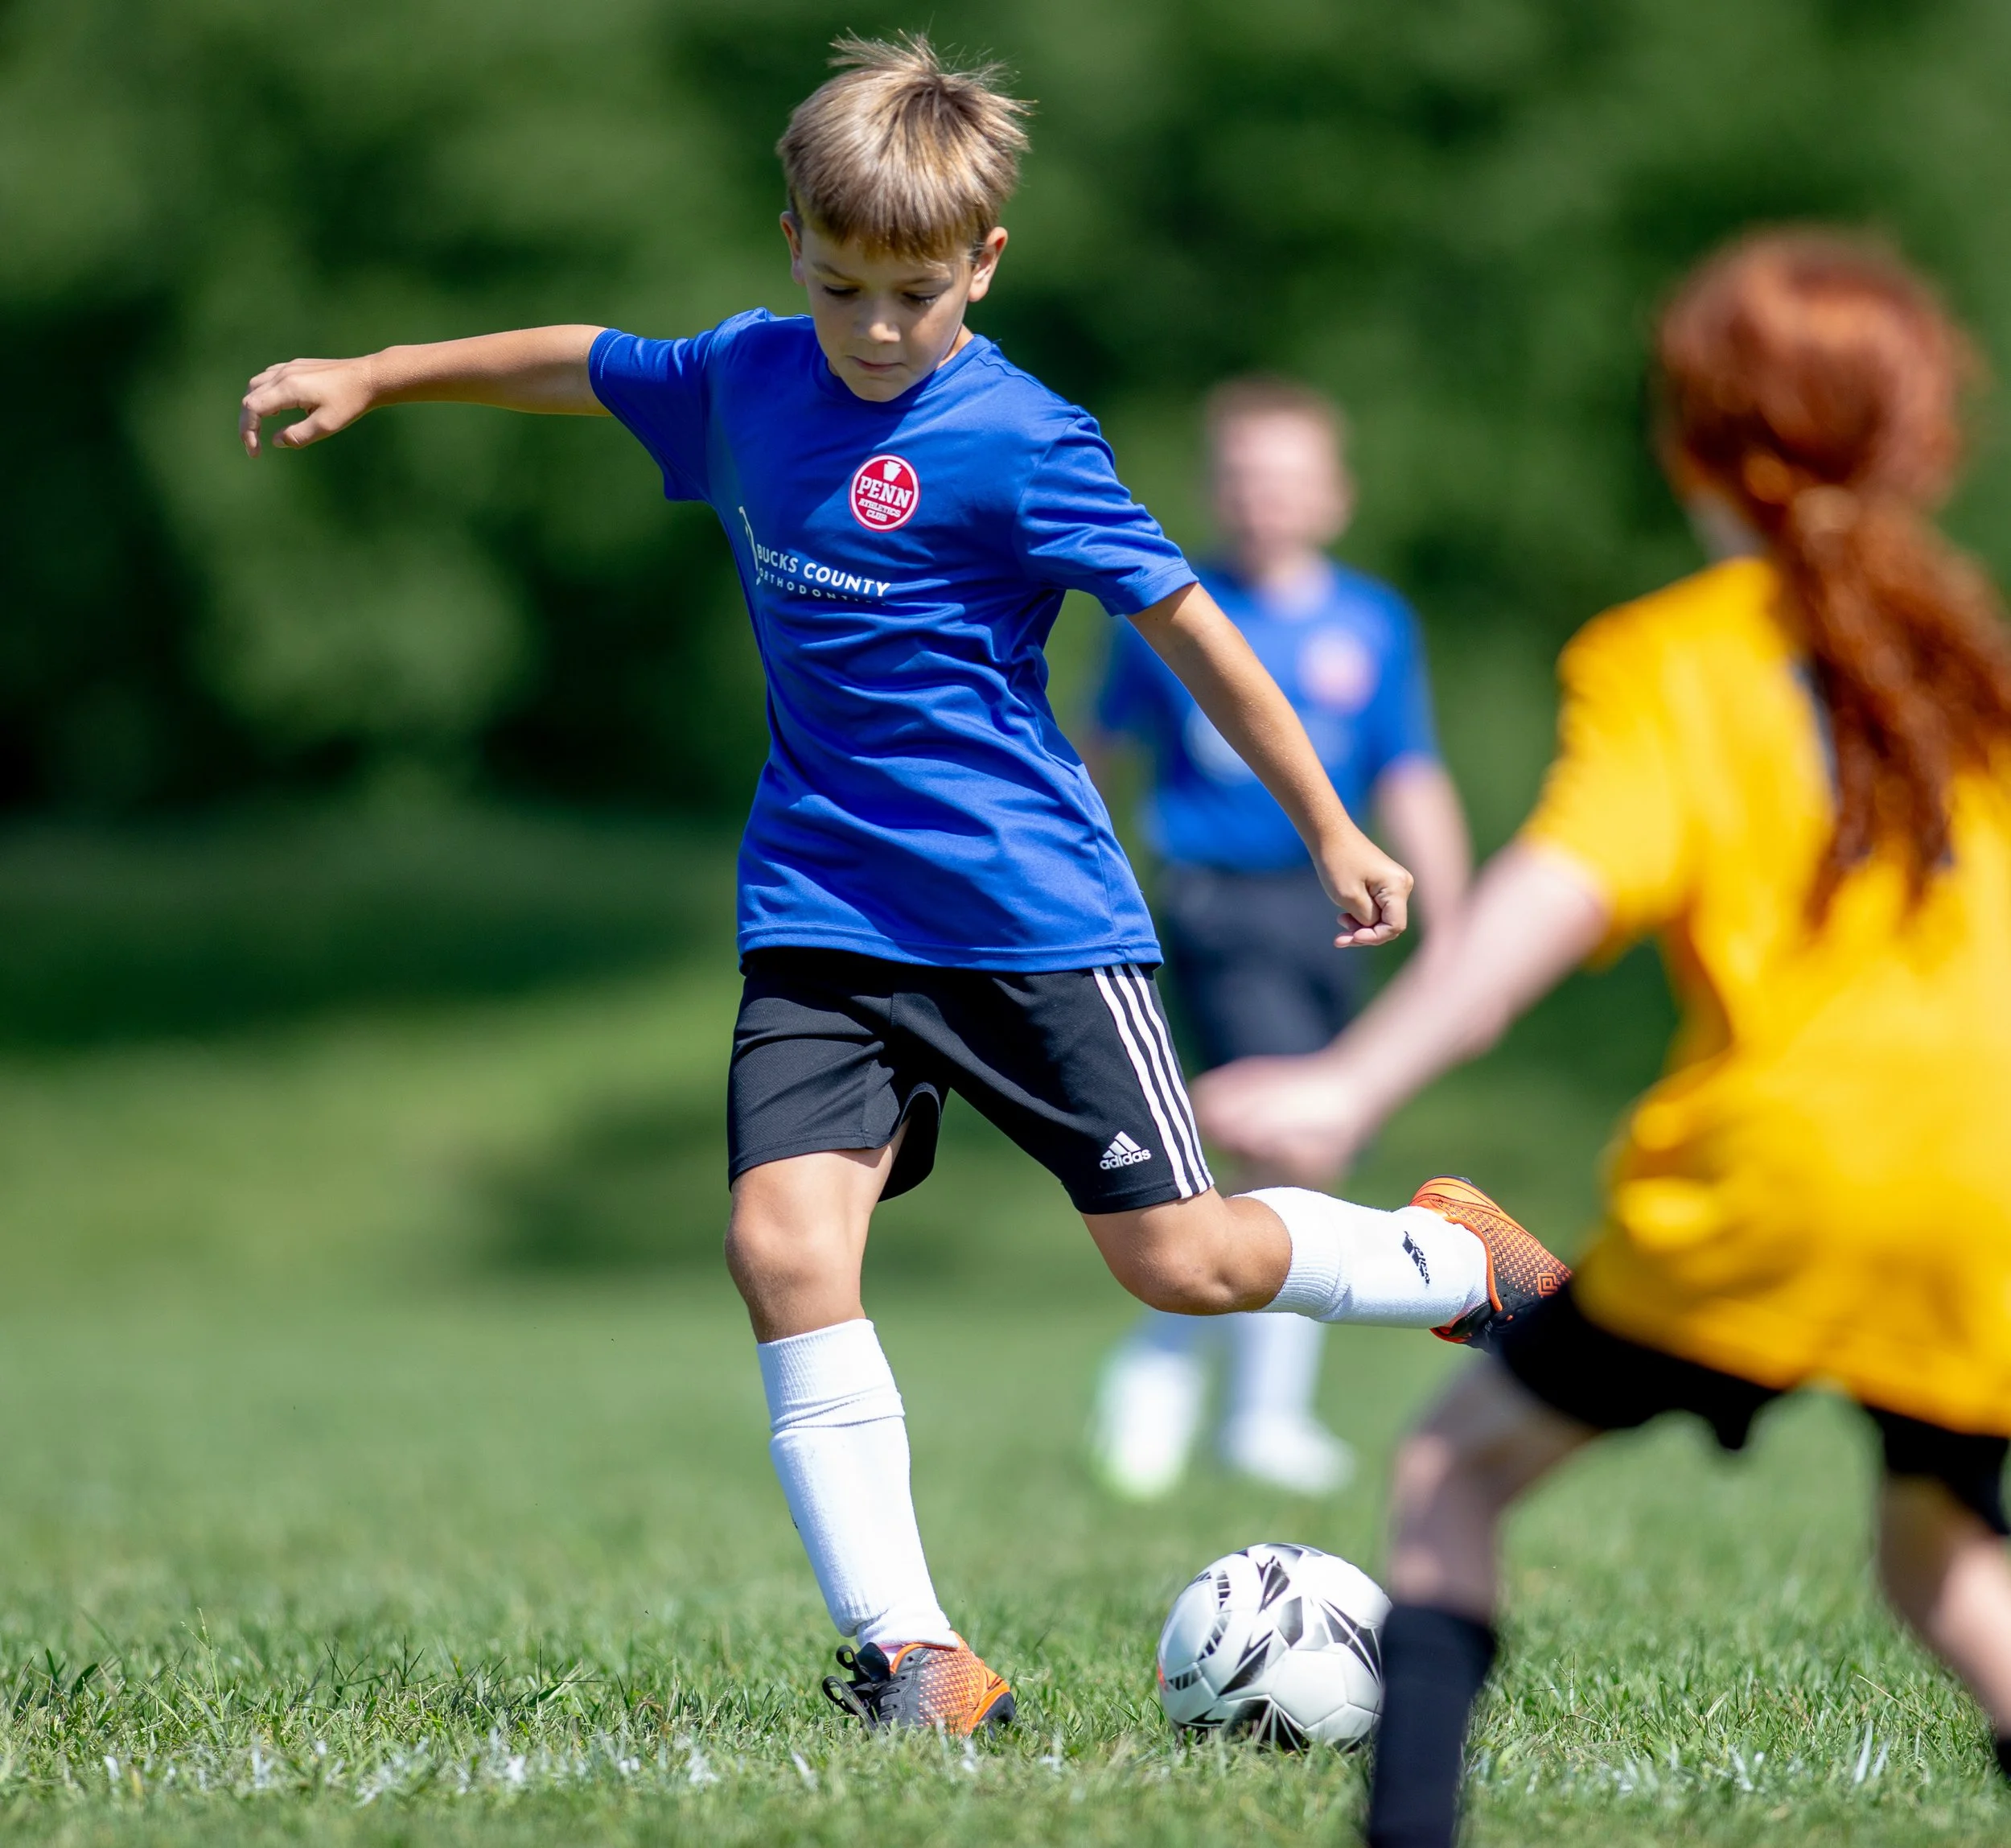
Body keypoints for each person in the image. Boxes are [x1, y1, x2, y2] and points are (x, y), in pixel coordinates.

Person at [237, 35, 1566, 1739]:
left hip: (1030, 919)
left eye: (916, 293)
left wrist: (1329, 823)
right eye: (847, 284)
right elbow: (582, 360)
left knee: (1181, 1263)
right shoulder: (744, 376)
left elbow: (1194, 633)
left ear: (983, 265)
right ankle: (914, 1656)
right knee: (779, 1243)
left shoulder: (1024, 437)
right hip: (818, 911)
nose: (876, 327)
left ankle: (1442, 1261)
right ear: (791, 241)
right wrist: (381, 367)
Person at [1195, 230, 2011, 1846]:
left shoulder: (1669, 664)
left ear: (1687, 439)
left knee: (1451, 1479)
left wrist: (1348, 1078)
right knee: (1945, 1554)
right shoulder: (1968, 662)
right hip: (1985, 1188)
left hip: (1775, 1181)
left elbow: (1527, 919)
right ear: (1918, 437)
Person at [1085, 378, 1470, 1499]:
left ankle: (1164, 1359)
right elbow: (1096, 757)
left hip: (1332, 906)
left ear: (1335, 497)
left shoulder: (1374, 623)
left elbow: (1408, 769)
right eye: (1245, 478)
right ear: (1216, 490)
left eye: (1290, 478)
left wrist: (1456, 911)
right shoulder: (1171, 610)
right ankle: (1252, 1412)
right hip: (1217, 898)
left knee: (1301, 1146)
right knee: (1291, 1145)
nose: (1266, 499)